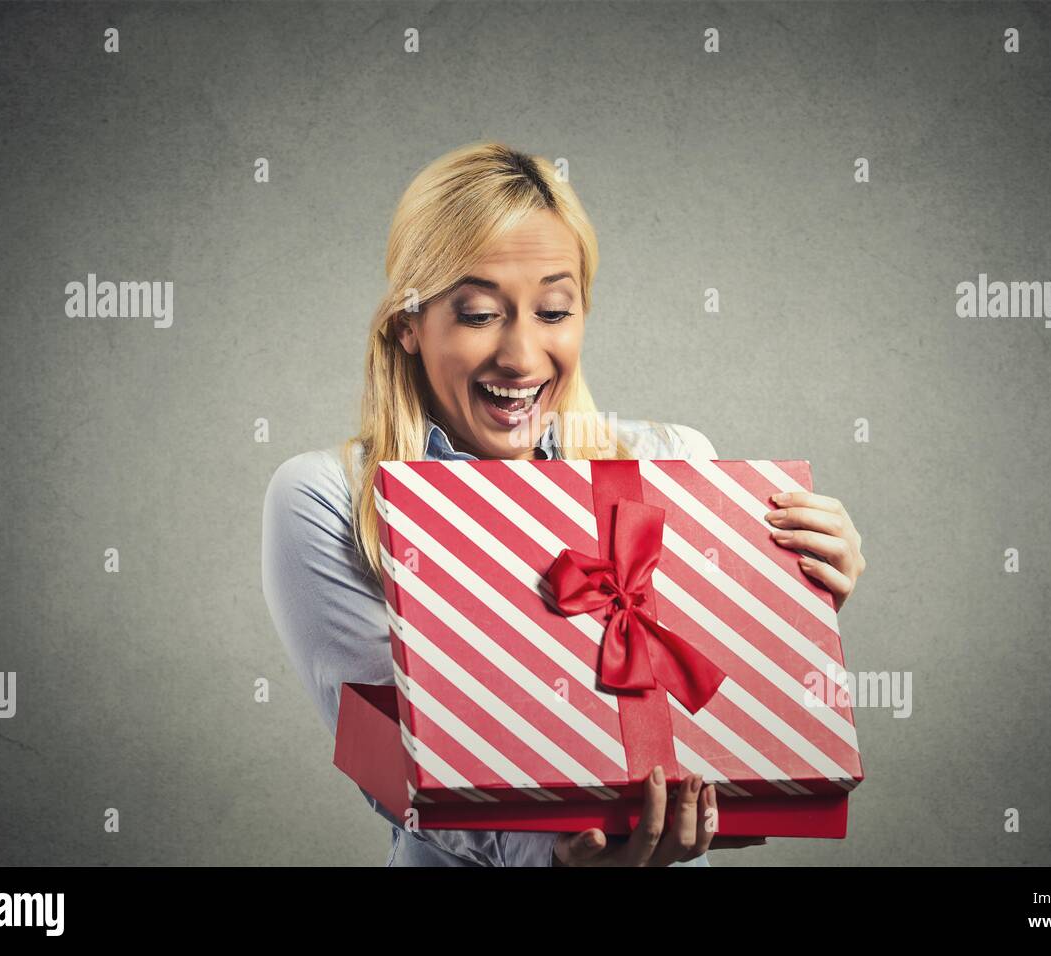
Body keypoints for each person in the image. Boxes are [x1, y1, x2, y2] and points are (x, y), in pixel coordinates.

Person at [261, 142, 866, 866]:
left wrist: (793, 606)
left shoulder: (669, 463)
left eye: (553, 310)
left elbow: (730, 722)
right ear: (408, 323)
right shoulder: (328, 498)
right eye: (481, 313)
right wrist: (557, 858)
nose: (521, 356)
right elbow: (391, 760)